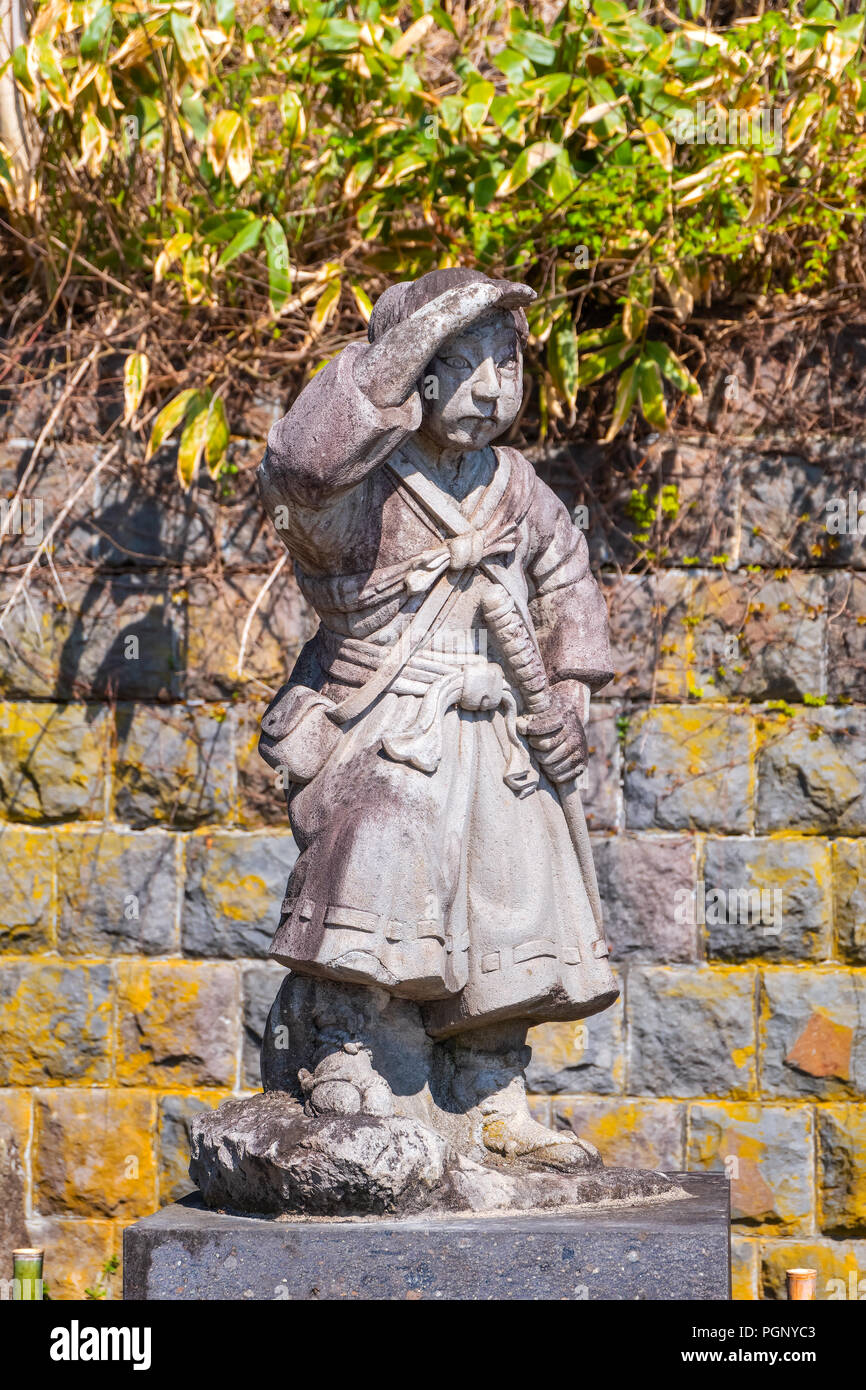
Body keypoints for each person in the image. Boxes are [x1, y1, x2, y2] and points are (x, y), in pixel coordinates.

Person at [256, 267, 618, 1168]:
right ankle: (346, 1055)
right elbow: (299, 466)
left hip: (497, 728)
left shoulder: (518, 485)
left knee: (514, 896)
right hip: (385, 719)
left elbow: (571, 585)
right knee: (381, 853)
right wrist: (395, 352)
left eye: (508, 364)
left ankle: (493, 1090)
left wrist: (570, 697)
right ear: (413, 374)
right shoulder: (360, 488)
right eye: (461, 364)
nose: (491, 388)